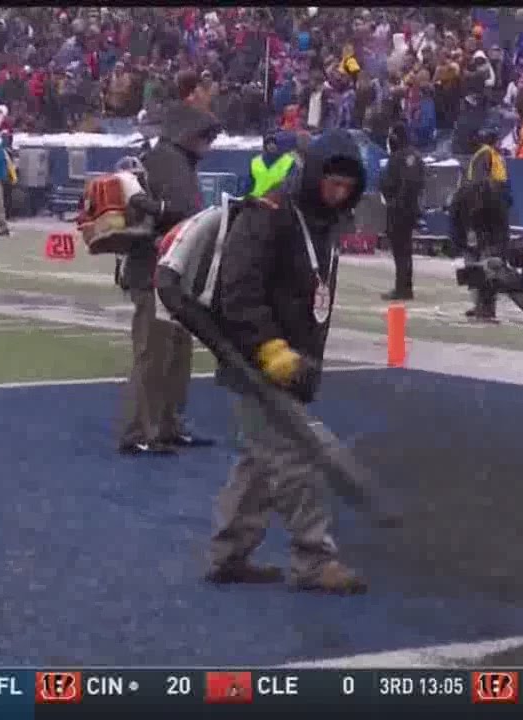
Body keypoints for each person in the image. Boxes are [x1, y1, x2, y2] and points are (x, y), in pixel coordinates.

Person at [206, 130, 369, 594]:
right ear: (314, 174)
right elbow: (238, 291)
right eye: (331, 183)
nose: (337, 193)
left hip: (292, 361)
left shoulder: (324, 224)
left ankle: (228, 554)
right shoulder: (270, 215)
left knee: (259, 463)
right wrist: (269, 348)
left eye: (346, 187)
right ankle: (313, 560)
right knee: (298, 458)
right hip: (258, 361)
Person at [116, 70, 219, 456]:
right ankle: (140, 430)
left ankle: (167, 424)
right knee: (154, 354)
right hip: (155, 269)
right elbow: (177, 211)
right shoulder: (167, 160)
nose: (206, 146)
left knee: (175, 355)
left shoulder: (177, 160)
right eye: (203, 137)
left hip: (174, 271)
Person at [453, 127, 512, 321]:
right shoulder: (493, 156)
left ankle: (483, 305)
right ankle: (482, 304)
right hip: (490, 212)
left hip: (482, 213)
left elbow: (479, 186)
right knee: (486, 261)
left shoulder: (484, 155)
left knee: (480, 262)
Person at [379, 122, 425, 301]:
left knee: (400, 251)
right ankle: (406, 286)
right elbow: (420, 184)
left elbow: (387, 183)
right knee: (406, 250)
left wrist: (392, 200)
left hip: (397, 209)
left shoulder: (397, 158)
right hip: (412, 209)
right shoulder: (416, 157)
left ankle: (402, 288)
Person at [245, 131, 307, 199]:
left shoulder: (289, 161)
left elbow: (293, 183)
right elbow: (249, 183)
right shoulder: (255, 162)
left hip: (279, 201)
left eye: (273, 143)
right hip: (257, 200)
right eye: (268, 143)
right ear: (264, 146)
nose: (271, 145)